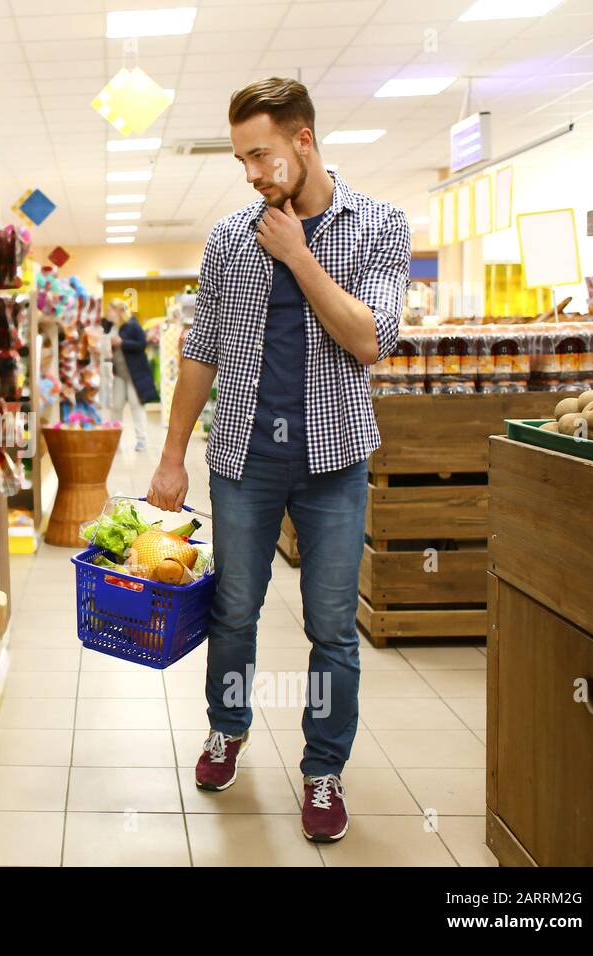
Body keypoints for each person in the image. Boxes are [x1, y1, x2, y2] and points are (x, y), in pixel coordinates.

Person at [146, 78, 410, 843]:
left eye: (261, 154)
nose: (253, 173)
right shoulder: (231, 236)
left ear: (303, 139)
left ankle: (322, 770)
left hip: (335, 463)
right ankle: (226, 729)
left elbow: (371, 339)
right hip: (244, 458)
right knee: (233, 609)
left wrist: (299, 256)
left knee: (331, 626)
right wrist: (171, 458)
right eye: (242, 160)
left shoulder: (379, 226)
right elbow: (202, 350)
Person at [103, 299, 158, 452]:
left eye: (110, 310)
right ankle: (114, 440)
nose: (108, 313)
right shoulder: (109, 327)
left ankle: (142, 440)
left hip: (135, 374)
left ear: (119, 311)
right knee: (116, 406)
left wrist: (122, 343)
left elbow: (142, 344)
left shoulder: (132, 325)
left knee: (136, 405)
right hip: (118, 373)